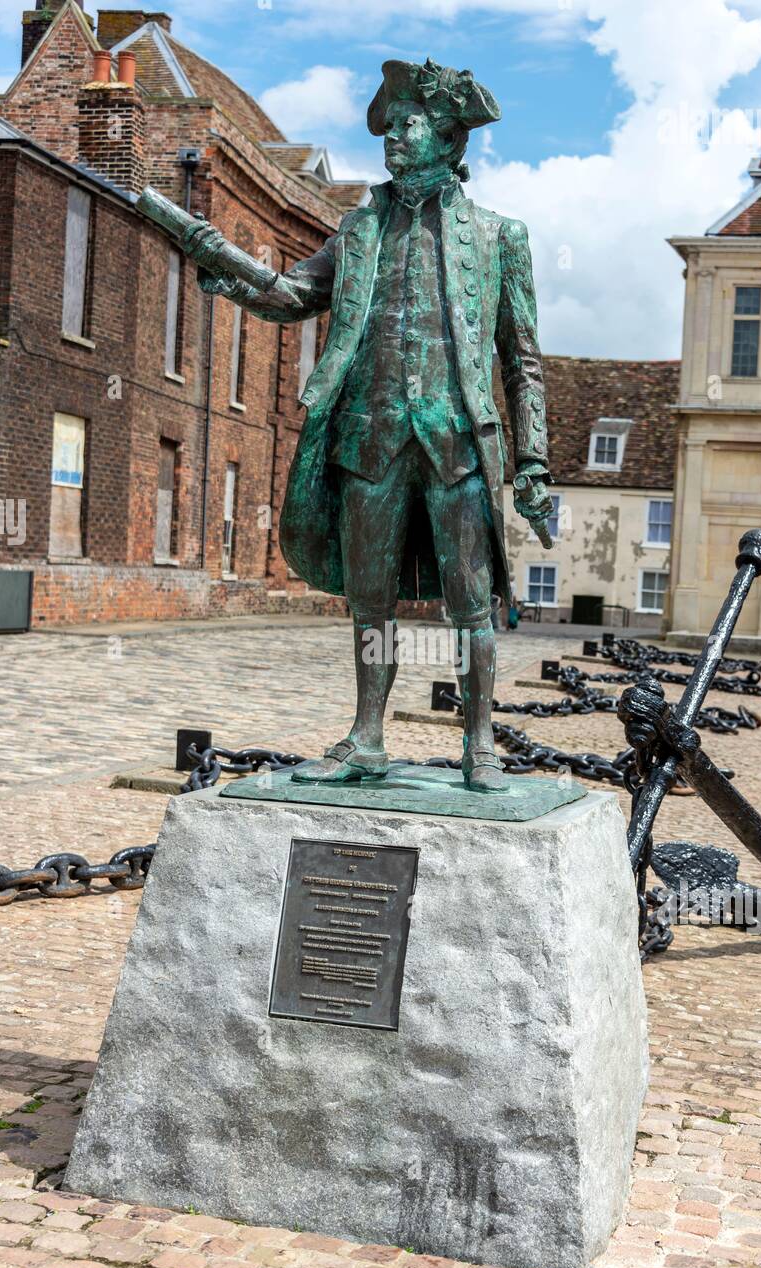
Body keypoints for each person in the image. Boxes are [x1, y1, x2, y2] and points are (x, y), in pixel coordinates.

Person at [184, 58, 553, 791]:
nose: (392, 136)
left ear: (448, 138)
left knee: (470, 604)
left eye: (408, 123)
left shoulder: (498, 236)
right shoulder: (358, 229)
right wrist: (225, 268)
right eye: (388, 126)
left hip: (455, 441)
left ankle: (479, 742)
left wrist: (534, 463)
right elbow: (293, 295)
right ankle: (367, 735)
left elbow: (523, 362)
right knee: (370, 601)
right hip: (369, 436)